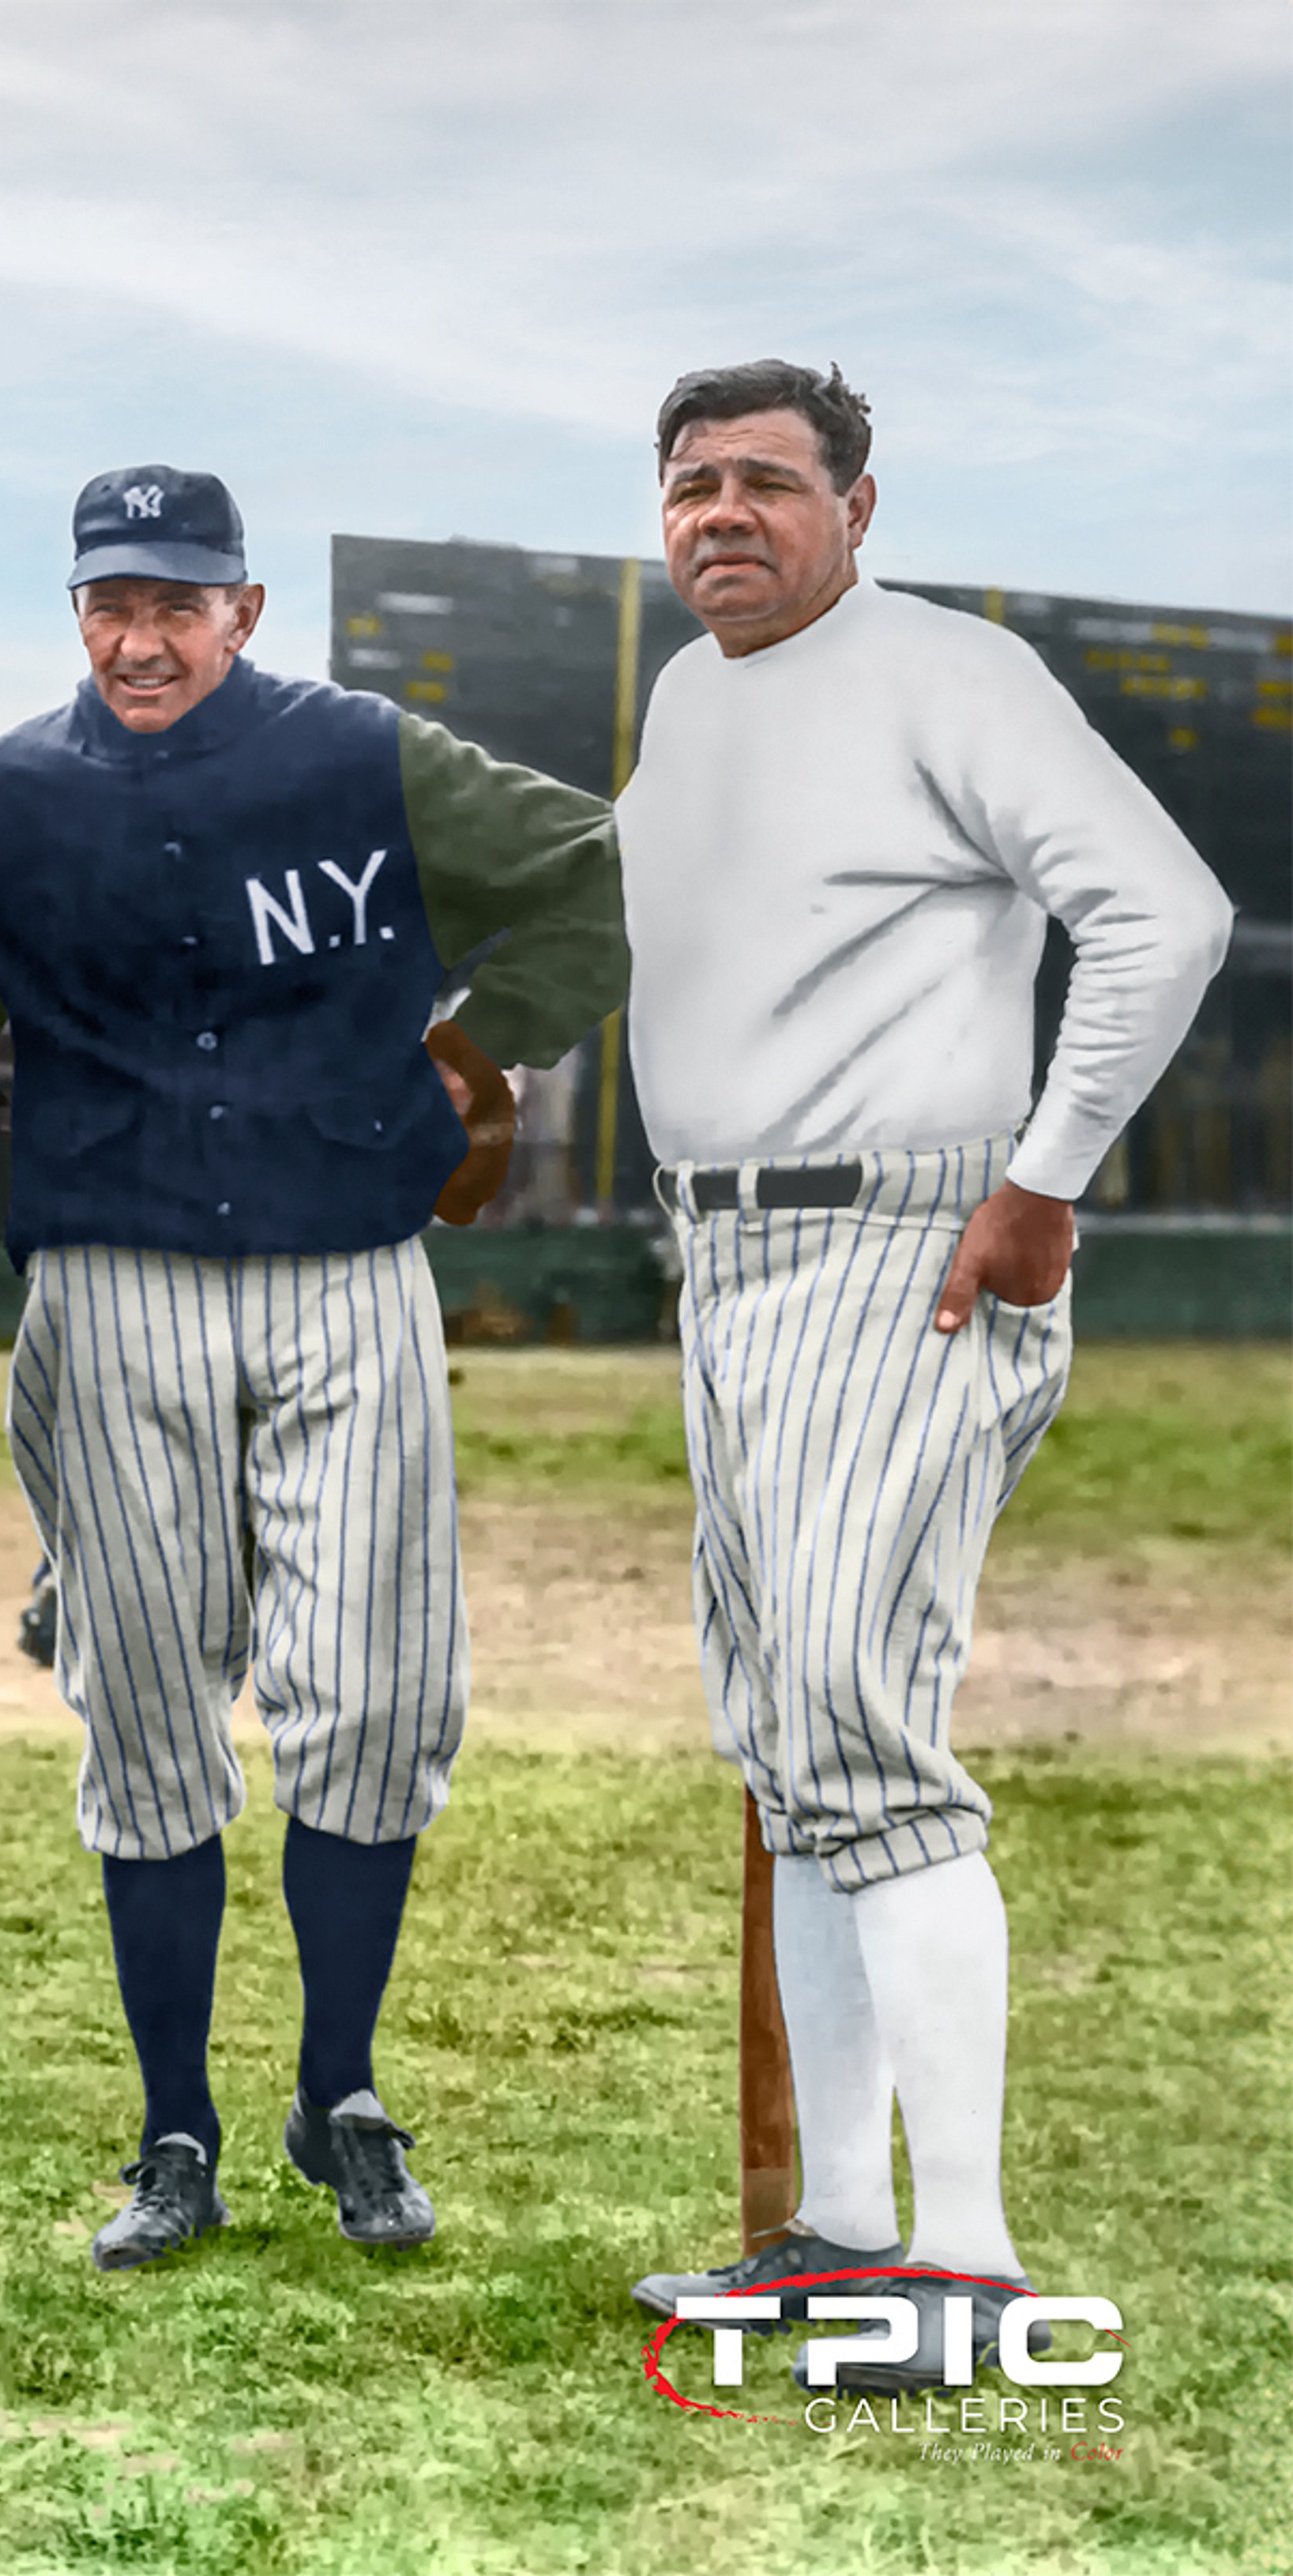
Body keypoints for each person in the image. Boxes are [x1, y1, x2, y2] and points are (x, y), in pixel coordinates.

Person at [0, 463, 625, 2267]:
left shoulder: (361, 754)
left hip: (345, 1268)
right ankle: (174, 2130)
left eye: (177, 598)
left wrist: (477, 1052)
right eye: (109, 599)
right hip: (113, 1282)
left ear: (241, 609)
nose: (140, 632)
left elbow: (588, 872)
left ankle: (341, 2089)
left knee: (376, 1699)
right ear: (75, 609)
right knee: (150, 1719)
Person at [618, 363, 1232, 2389]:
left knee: (865, 1732)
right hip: (724, 1255)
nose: (723, 514)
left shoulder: (945, 672)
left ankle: (959, 2260)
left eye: (766, 484)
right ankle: (844, 2229)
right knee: (793, 1750)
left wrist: (1043, 1181)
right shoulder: (692, 696)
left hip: (907, 1243)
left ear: (855, 507)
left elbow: (1162, 910)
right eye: (691, 484)